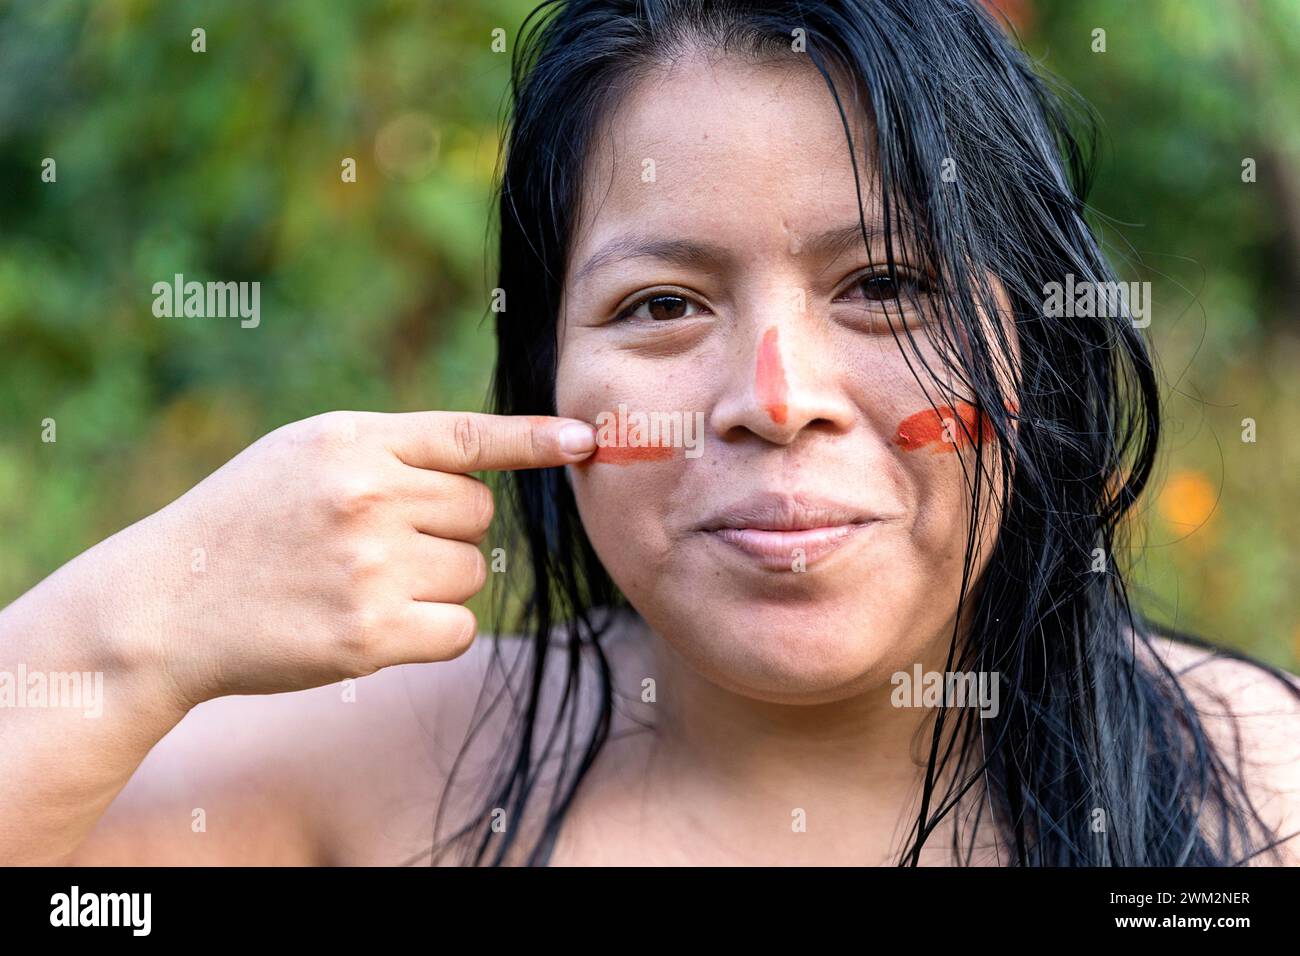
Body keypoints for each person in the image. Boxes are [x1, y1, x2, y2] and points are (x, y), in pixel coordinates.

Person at [3, 0, 1298, 867]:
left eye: (889, 285)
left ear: (1040, 351)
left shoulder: (1256, 795)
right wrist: (143, 619)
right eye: (663, 302)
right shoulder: (374, 763)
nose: (776, 397)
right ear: (543, 378)